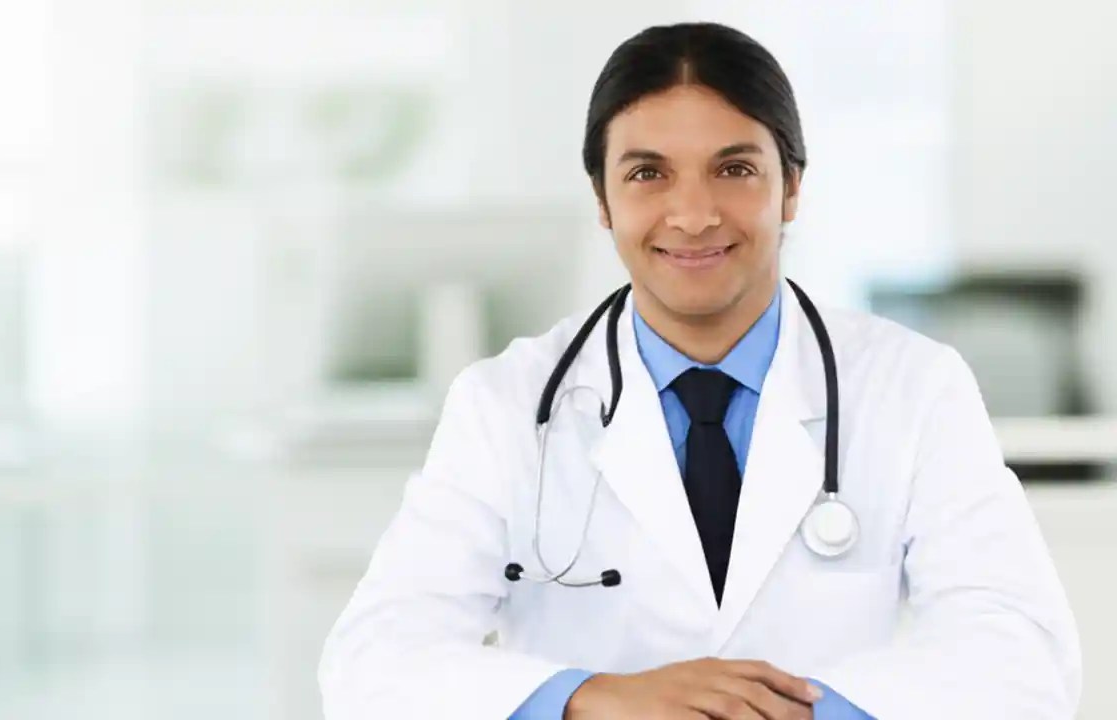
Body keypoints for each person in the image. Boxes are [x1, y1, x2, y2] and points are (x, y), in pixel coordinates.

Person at [318, 22, 1081, 720]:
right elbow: (371, 663)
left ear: (791, 187)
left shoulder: (913, 387)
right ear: (602, 199)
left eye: (734, 169)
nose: (692, 215)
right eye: (648, 174)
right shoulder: (506, 405)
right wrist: (594, 699)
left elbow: (1024, 655)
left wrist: (795, 713)